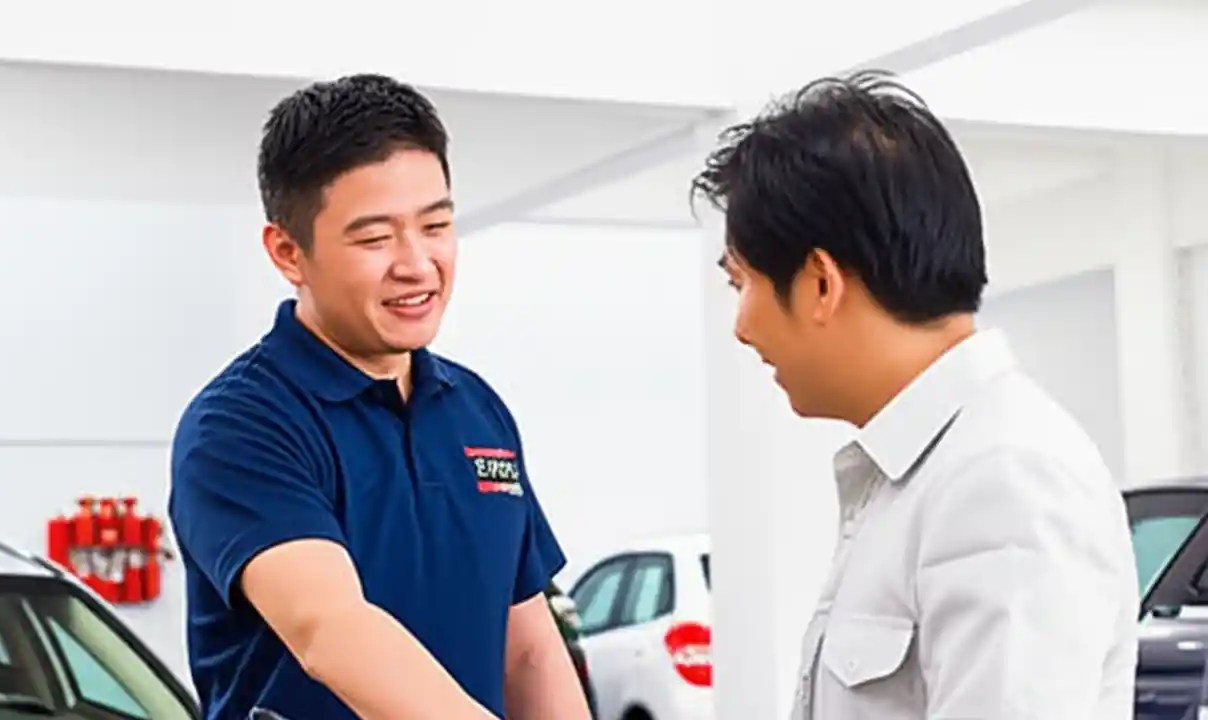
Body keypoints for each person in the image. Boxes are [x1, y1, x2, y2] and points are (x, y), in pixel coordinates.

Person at [692, 70, 1139, 720]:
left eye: (742, 282)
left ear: (820, 283)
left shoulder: (1003, 478)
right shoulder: (923, 475)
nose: (741, 326)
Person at [168, 74, 591, 720]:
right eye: (374, 238)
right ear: (288, 252)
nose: (417, 263)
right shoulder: (239, 426)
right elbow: (331, 632)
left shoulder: (476, 410)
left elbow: (528, 652)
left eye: (436, 225)